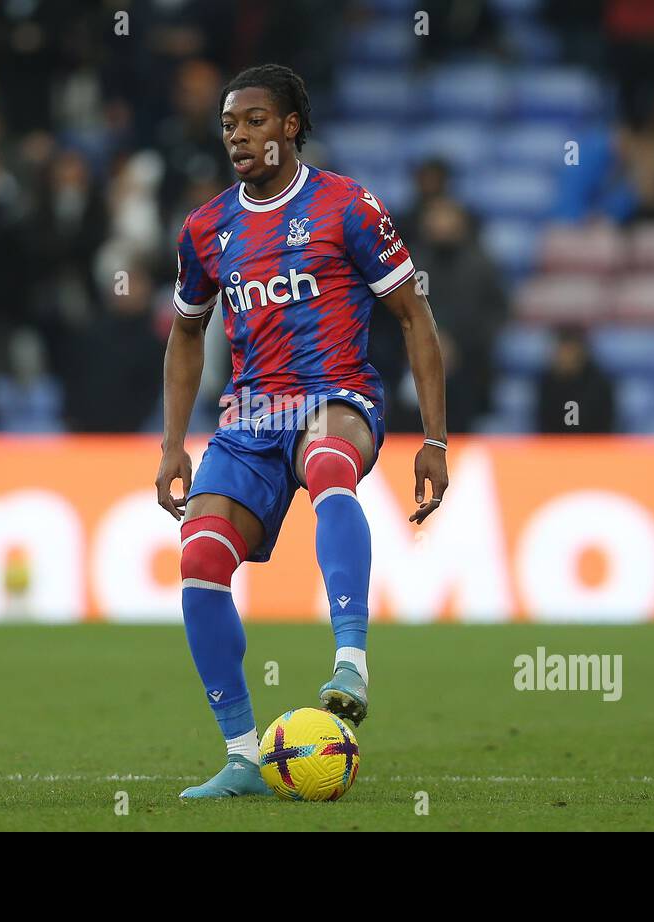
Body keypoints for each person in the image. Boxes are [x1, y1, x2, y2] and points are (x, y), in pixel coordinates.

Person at [154, 64, 448, 798]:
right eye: (229, 125)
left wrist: (435, 440)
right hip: (251, 416)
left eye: (254, 121)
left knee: (327, 464)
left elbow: (414, 317)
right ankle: (242, 757)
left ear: (290, 126)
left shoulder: (348, 207)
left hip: (336, 394)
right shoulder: (206, 229)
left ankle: (351, 661)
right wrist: (172, 445)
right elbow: (186, 333)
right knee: (199, 560)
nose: (238, 136)